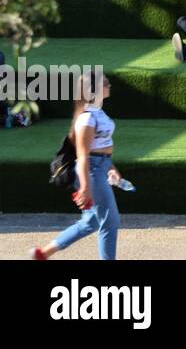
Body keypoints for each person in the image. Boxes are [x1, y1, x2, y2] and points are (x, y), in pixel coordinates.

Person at [30, 72, 125, 261]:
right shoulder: (87, 118)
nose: (109, 85)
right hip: (92, 172)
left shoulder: (97, 112)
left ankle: (44, 254)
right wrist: (85, 187)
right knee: (110, 222)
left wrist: (111, 167)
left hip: (100, 167)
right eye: (105, 83)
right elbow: (83, 156)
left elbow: (100, 147)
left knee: (91, 221)